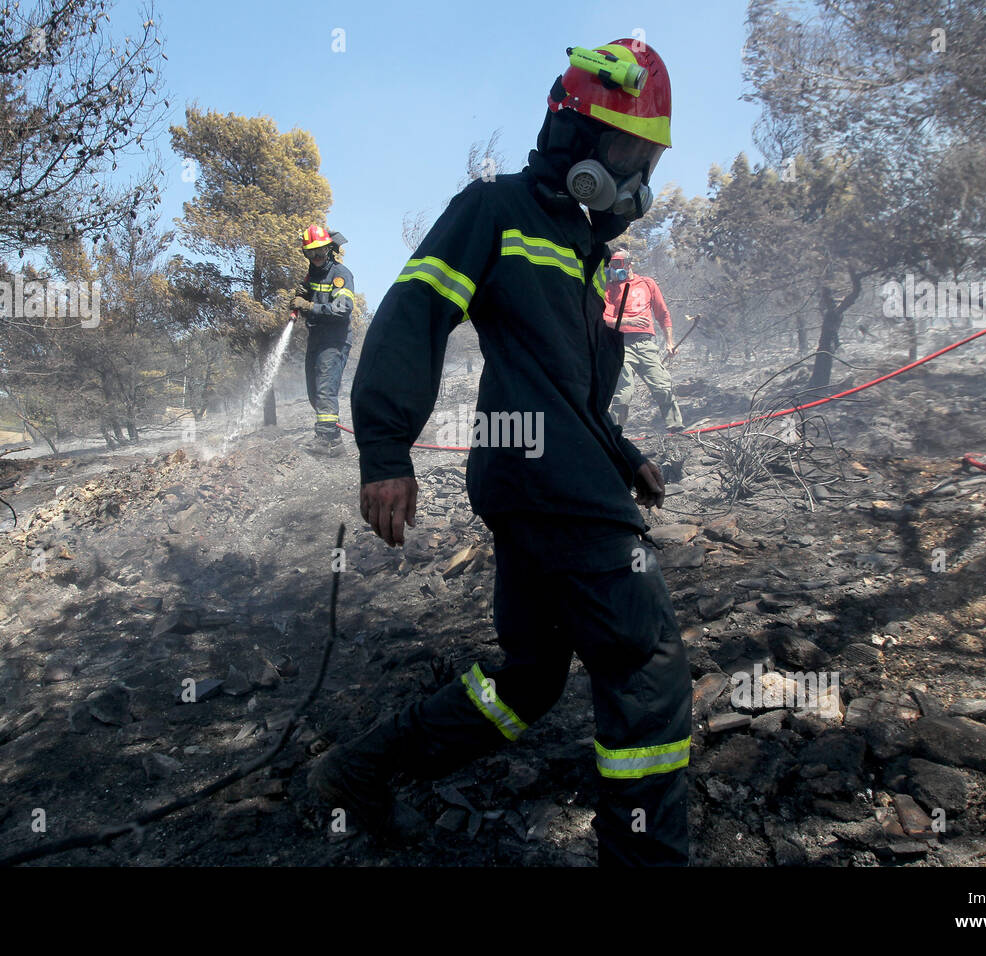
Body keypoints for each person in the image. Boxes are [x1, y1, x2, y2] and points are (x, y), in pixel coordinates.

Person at [311, 39, 691, 866]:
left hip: (543, 480)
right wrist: (384, 448)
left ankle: (358, 770)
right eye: (625, 149)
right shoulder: (497, 209)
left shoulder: (586, 256)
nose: (634, 172)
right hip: (553, 487)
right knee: (645, 662)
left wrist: (624, 453)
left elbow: (565, 384)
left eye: (645, 156)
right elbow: (414, 311)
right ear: (574, 138)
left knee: (531, 678)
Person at [291, 225, 355, 456]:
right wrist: (302, 295)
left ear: (329, 249)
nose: (317, 258)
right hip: (316, 337)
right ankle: (335, 443)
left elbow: (343, 309)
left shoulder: (340, 275)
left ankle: (324, 438)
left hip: (335, 339)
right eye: (311, 253)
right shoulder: (312, 276)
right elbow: (309, 298)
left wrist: (309, 306)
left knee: (326, 389)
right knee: (313, 391)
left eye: (320, 252)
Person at [604, 249, 684, 431]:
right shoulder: (610, 288)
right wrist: (627, 321)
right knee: (623, 394)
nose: (613, 270)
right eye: (611, 265)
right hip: (621, 346)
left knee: (663, 386)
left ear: (629, 264)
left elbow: (663, 314)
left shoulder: (647, 284)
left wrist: (670, 342)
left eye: (617, 264)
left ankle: (676, 428)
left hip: (647, 344)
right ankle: (613, 435)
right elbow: (605, 319)